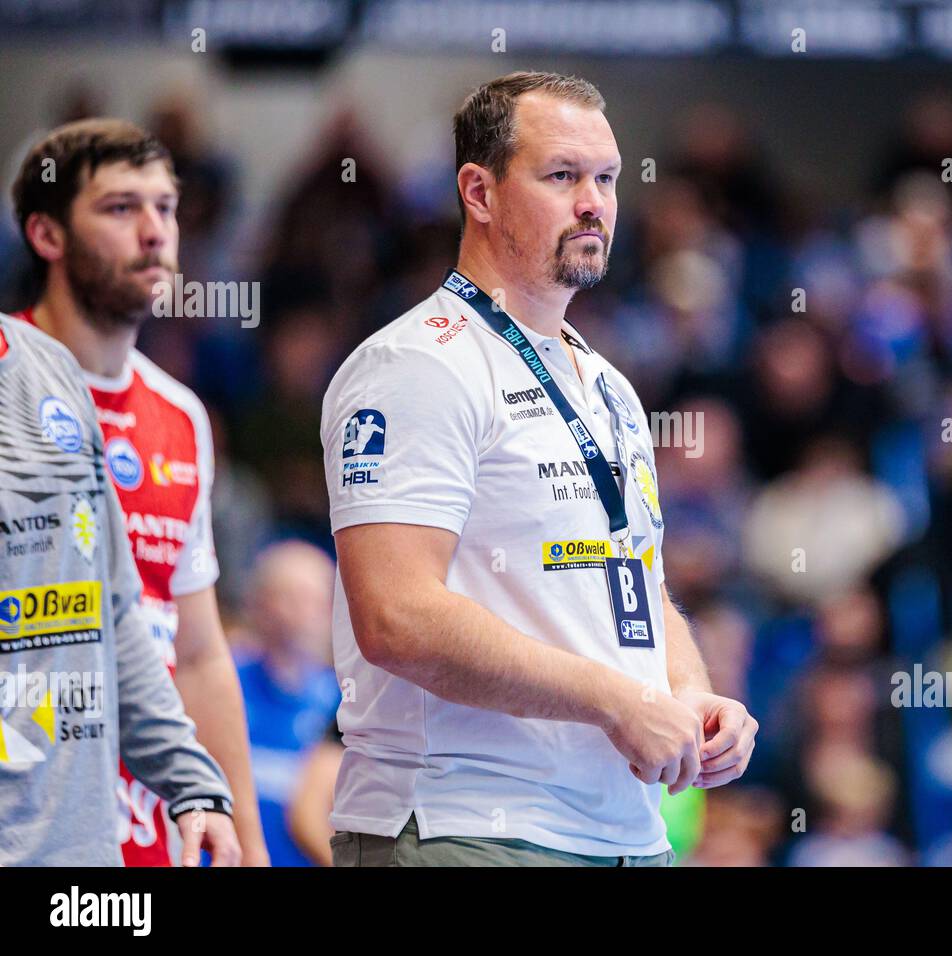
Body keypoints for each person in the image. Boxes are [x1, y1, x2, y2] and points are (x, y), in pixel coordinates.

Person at [322, 71, 759, 866]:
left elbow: (636, 582)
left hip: (627, 833)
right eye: (562, 176)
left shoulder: (611, 388)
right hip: (467, 823)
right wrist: (616, 701)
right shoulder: (416, 366)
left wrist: (685, 693)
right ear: (479, 192)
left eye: (606, 178)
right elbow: (395, 616)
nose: (593, 202)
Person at [9, 118, 268, 865]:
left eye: (166, 206)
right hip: (33, 793)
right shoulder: (9, 382)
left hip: (156, 812)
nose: (155, 231)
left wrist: (248, 839)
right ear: (47, 235)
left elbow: (197, 653)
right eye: (121, 208)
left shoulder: (182, 416)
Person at [0, 311, 238, 865]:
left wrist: (192, 781)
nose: (154, 231)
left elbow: (110, 610)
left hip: (76, 846)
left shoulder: (51, 372)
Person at [231, 541, 340, 866]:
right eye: (288, 597)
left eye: (314, 601)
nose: (301, 614)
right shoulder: (227, 682)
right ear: (257, 603)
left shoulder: (344, 705)